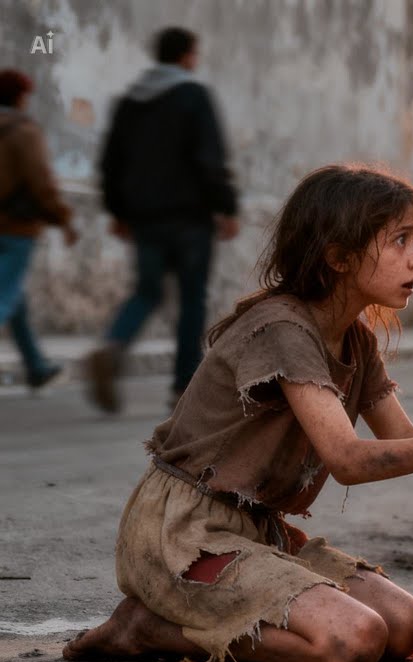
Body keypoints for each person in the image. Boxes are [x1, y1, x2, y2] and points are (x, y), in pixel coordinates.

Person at [63, 165, 413, 662]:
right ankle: (148, 629)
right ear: (339, 257)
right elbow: (347, 460)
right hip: (186, 539)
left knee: (406, 623)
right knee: (352, 641)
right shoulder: (283, 328)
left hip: (256, 532)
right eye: (399, 241)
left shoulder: (356, 337)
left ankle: (193, 618)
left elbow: (400, 437)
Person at [88, 26, 240, 412]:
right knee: (191, 299)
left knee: (147, 291)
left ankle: (113, 344)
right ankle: (183, 387)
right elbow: (211, 160)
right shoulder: (194, 96)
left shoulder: (130, 103)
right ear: (187, 56)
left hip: (146, 219)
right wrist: (226, 207)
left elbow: (111, 163)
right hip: (190, 219)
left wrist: (118, 211)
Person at [0, 69, 77, 390]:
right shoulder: (24, 131)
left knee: (14, 298)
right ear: (21, 97)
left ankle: (36, 366)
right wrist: (63, 219)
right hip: (16, 226)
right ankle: (36, 366)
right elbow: (40, 183)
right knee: (5, 295)